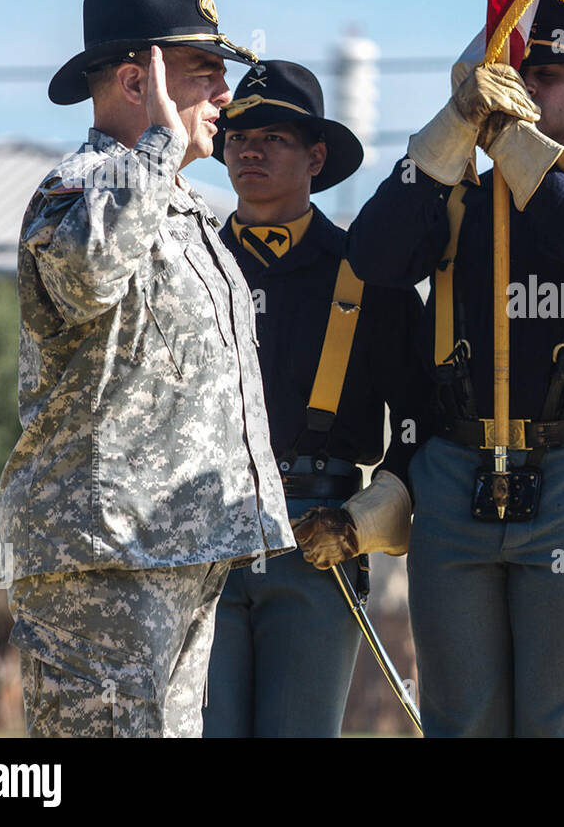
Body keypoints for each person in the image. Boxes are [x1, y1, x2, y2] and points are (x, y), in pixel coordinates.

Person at [346, 0, 564, 736]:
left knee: (562, 723)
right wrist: (452, 131)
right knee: (459, 719)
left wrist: (514, 146)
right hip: (454, 467)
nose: (529, 87)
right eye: (516, 72)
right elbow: (373, 256)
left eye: (550, 74)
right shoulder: (454, 199)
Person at [0, 0, 294, 737]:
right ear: (137, 80)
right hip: (105, 556)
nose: (227, 95)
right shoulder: (78, 187)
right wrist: (160, 145)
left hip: (179, 547)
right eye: (204, 76)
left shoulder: (187, 207)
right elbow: (90, 274)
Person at [201, 60, 427, 737]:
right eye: (239, 135)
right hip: (200, 539)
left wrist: (363, 519)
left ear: (316, 155)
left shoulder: (368, 272)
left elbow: (420, 420)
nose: (250, 149)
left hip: (317, 539)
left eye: (274, 137)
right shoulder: (190, 267)